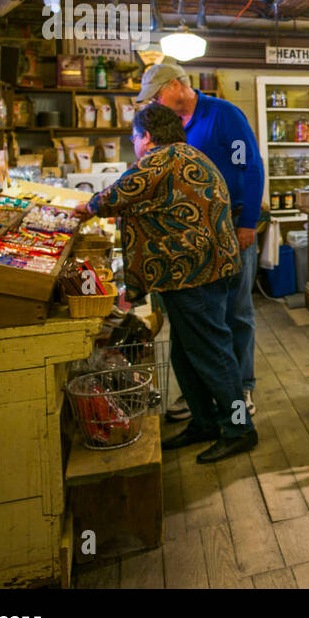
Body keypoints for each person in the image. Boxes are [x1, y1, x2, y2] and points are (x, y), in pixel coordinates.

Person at [75, 103, 258, 463]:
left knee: (213, 353)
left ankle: (240, 429)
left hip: (192, 274)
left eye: (134, 137)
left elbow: (118, 194)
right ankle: (205, 421)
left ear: (147, 135)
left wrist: (86, 207)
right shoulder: (192, 154)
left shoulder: (161, 159)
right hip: (205, 270)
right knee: (187, 354)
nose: (135, 143)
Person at [136, 62, 265, 418]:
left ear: (177, 86)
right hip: (193, 235)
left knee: (236, 309)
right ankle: (202, 396)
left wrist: (248, 223)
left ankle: (242, 388)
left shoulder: (223, 115)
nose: (154, 105)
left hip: (234, 223)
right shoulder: (171, 126)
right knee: (200, 317)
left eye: (157, 95)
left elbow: (250, 167)